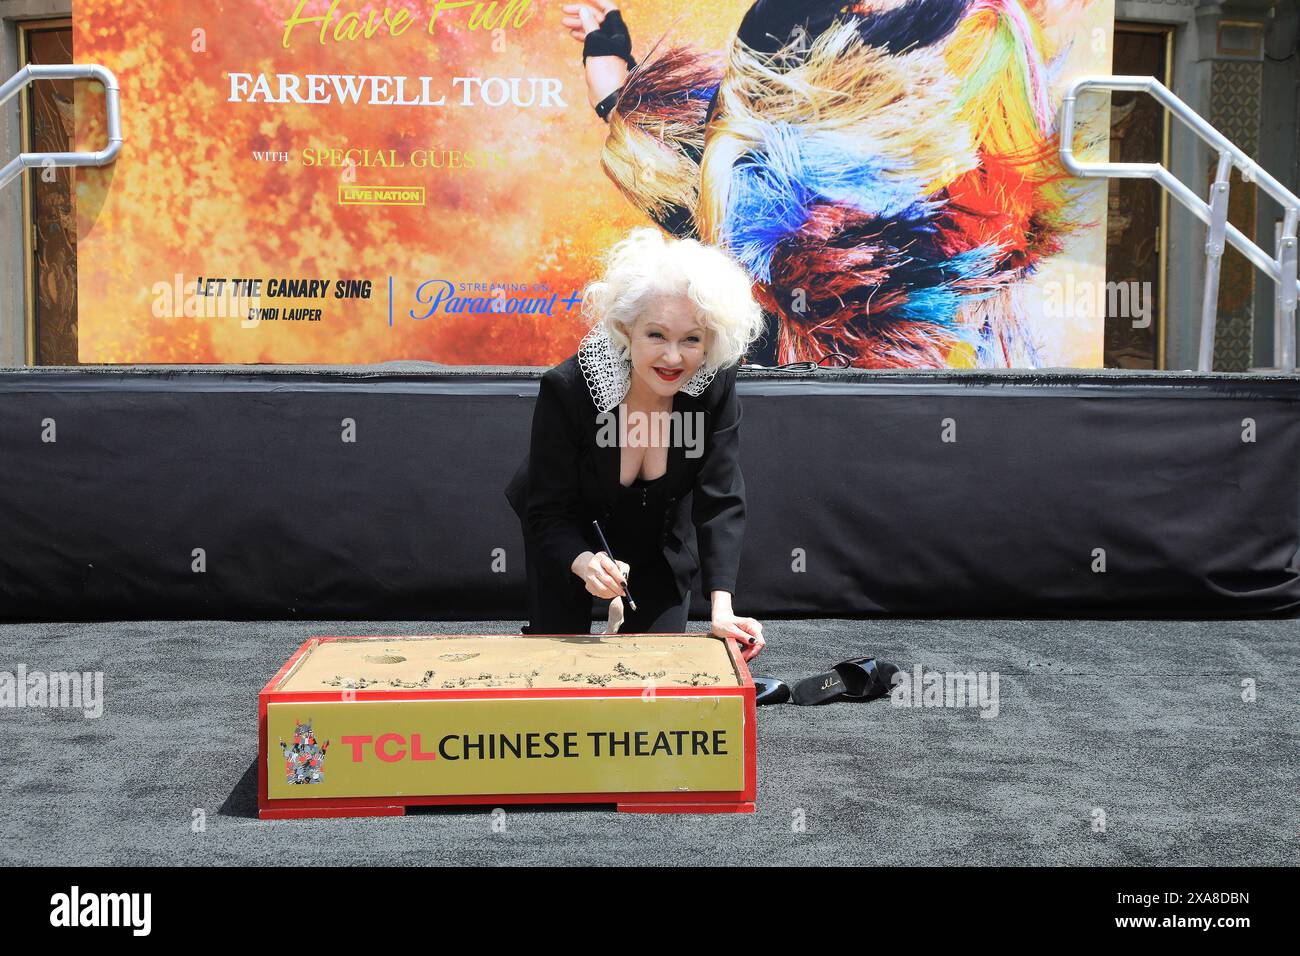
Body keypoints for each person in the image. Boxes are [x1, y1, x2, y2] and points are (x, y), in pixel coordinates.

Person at [505, 226, 767, 660]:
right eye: (656, 335)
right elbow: (548, 507)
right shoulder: (570, 388)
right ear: (627, 328)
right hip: (568, 532)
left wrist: (723, 608)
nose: (672, 357)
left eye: (692, 339)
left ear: (711, 339)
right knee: (555, 665)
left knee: (655, 667)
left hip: (659, 544)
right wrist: (583, 562)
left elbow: (720, 499)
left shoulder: (715, 385)